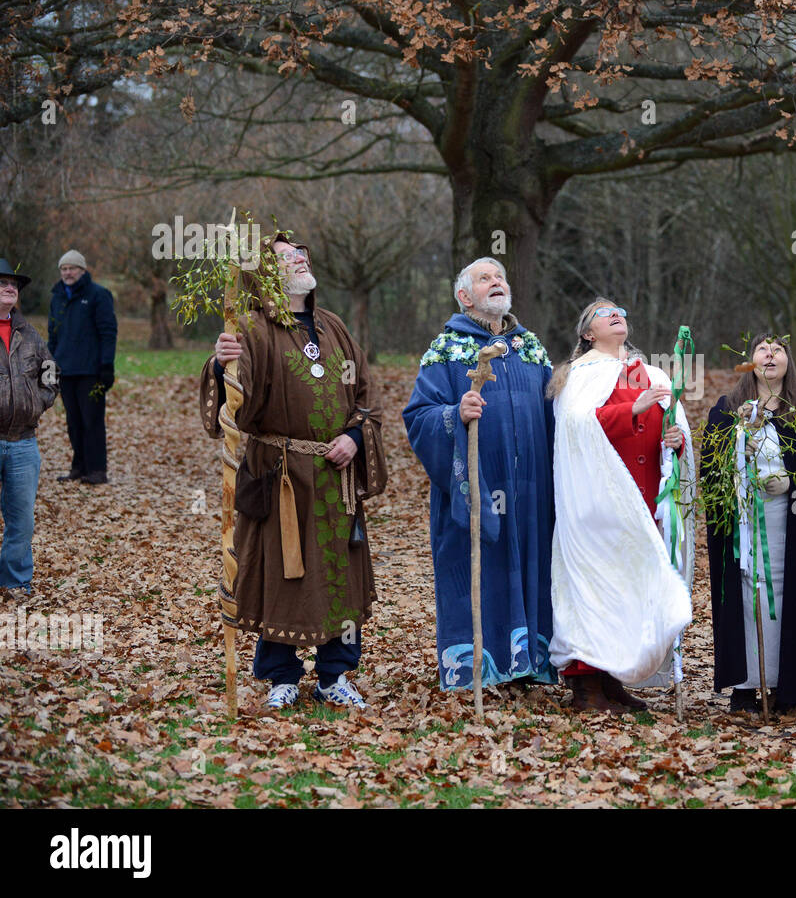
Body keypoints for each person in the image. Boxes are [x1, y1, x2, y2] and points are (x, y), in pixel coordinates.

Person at [200, 234, 386, 710]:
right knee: (280, 571)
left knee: (338, 575)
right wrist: (223, 367)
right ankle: (280, 675)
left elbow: (366, 398)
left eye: (302, 252)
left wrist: (355, 436)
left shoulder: (335, 328)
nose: (299, 258)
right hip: (278, 474)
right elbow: (233, 408)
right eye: (285, 256)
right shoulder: (253, 330)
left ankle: (333, 675)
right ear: (267, 275)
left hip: (334, 479)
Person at [404, 258, 556, 692]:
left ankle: (528, 663)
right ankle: (480, 668)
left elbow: (556, 414)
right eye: (485, 278)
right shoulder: (446, 350)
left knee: (530, 565)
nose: (497, 283)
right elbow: (419, 415)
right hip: (475, 485)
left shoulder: (531, 349)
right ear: (464, 296)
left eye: (501, 276)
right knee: (479, 570)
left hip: (530, 490)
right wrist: (454, 414)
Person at [547, 299, 693, 711]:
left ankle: (610, 680)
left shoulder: (651, 373)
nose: (616, 315)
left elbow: (672, 429)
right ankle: (584, 684)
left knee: (627, 586)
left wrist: (674, 442)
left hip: (643, 498)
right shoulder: (579, 375)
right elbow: (577, 426)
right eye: (603, 312)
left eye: (621, 312)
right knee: (593, 582)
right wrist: (634, 407)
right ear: (587, 333)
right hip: (595, 499)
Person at [704, 332, 796, 714]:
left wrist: (792, 481)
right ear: (750, 362)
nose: (770, 355)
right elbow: (710, 470)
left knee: (787, 594)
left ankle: (787, 686)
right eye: (761, 350)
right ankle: (747, 687)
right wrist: (737, 452)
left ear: (788, 363)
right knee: (748, 594)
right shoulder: (727, 410)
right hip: (745, 522)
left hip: (792, 524)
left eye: (778, 349)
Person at [0, 259, 58, 601]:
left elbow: (51, 372)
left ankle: (15, 583)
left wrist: (39, 401)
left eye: (14, 285)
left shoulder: (30, 335)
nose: (11, 288)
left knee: (21, 522)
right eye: (3, 283)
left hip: (23, 444)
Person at [48, 249, 117, 485]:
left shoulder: (98, 295)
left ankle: (97, 470)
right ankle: (78, 467)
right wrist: (50, 365)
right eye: (64, 269)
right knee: (73, 422)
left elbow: (108, 332)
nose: (67, 273)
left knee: (92, 422)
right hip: (65, 371)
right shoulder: (57, 296)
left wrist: (107, 365)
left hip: (92, 372)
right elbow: (52, 335)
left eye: (72, 268)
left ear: (82, 270)